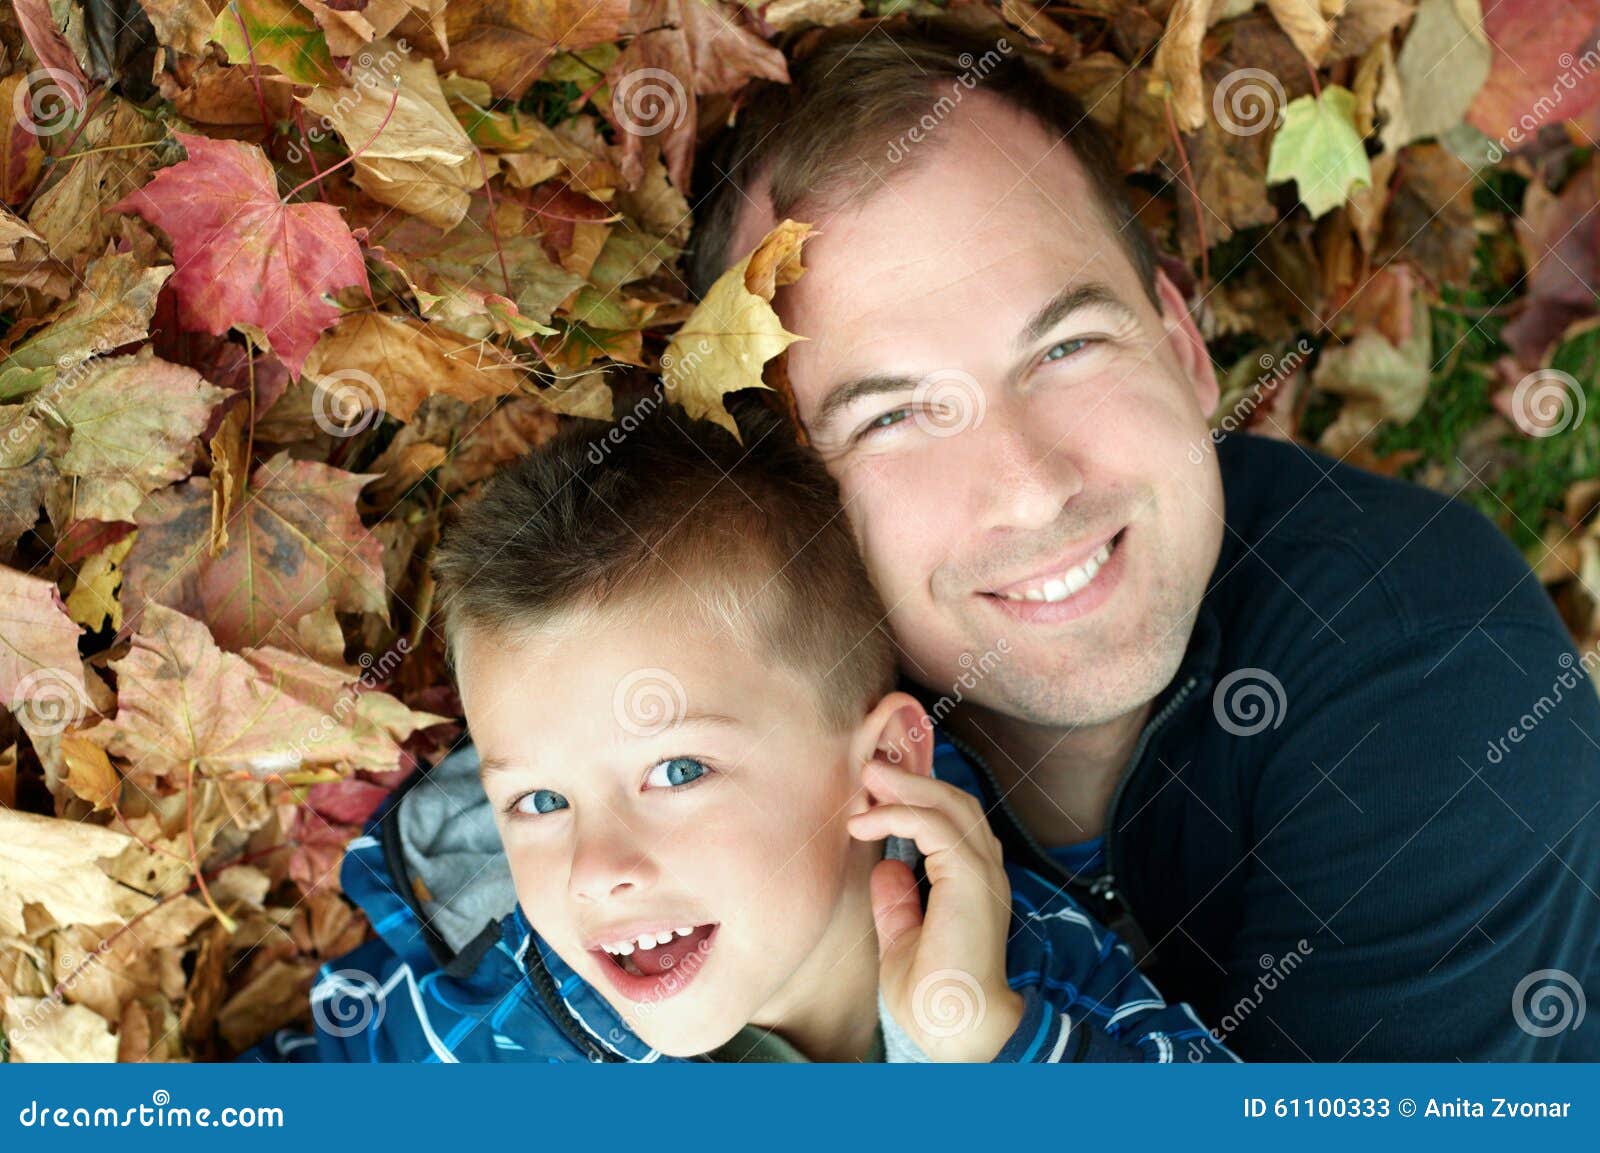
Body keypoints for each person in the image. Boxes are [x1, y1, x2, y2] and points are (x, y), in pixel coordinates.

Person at [680, 20, 1600, 1060]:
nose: (1030, 491)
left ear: (1180, 347)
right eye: (889, 417)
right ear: (793, 499)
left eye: (1066, 346)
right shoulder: (721, 735)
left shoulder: (1436, 667)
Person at [250, 402, 1232, 1063]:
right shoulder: (495, 1016)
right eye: (539, 801)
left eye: (675, 769)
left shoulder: (1035, 980)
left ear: (884, 765)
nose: (596, 868)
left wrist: (986, 1046)